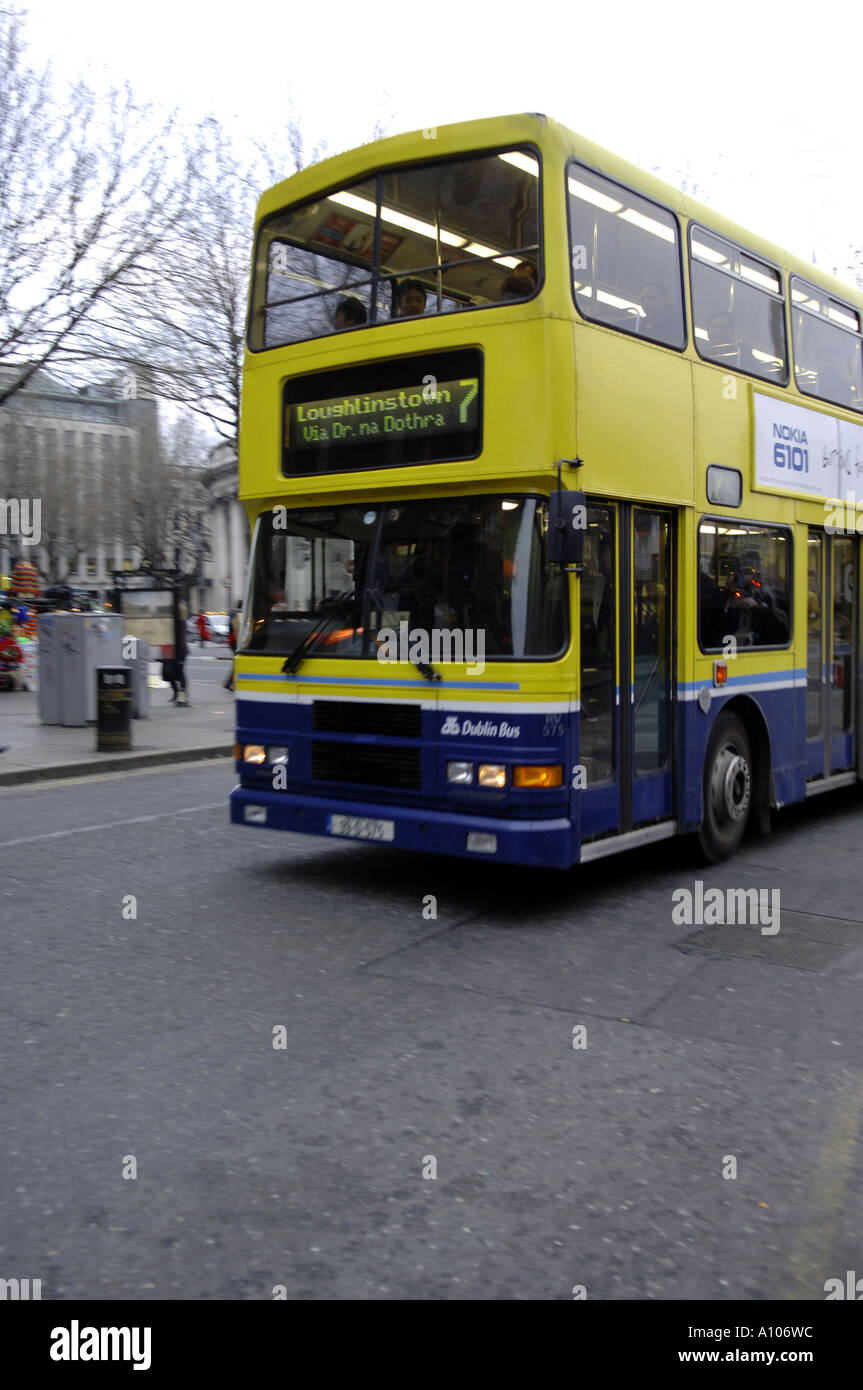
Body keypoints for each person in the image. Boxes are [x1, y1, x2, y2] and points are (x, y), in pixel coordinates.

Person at [173, 602, 189, 706]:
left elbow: (179, 638)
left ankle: (182, 697)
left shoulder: (180, 622)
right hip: (178, 651)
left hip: (180, 651)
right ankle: (179, 695)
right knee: (175, 674)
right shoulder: (179, 622)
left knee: (180, 674)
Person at [224, 601, 241, 690]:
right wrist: (239, 642)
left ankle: (229, 683)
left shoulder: (233, 613)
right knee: (238, 662)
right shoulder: (237, 614)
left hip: (231, 639)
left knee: (237, 661)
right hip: (234, 640)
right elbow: (236, 628)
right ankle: (229, 683)